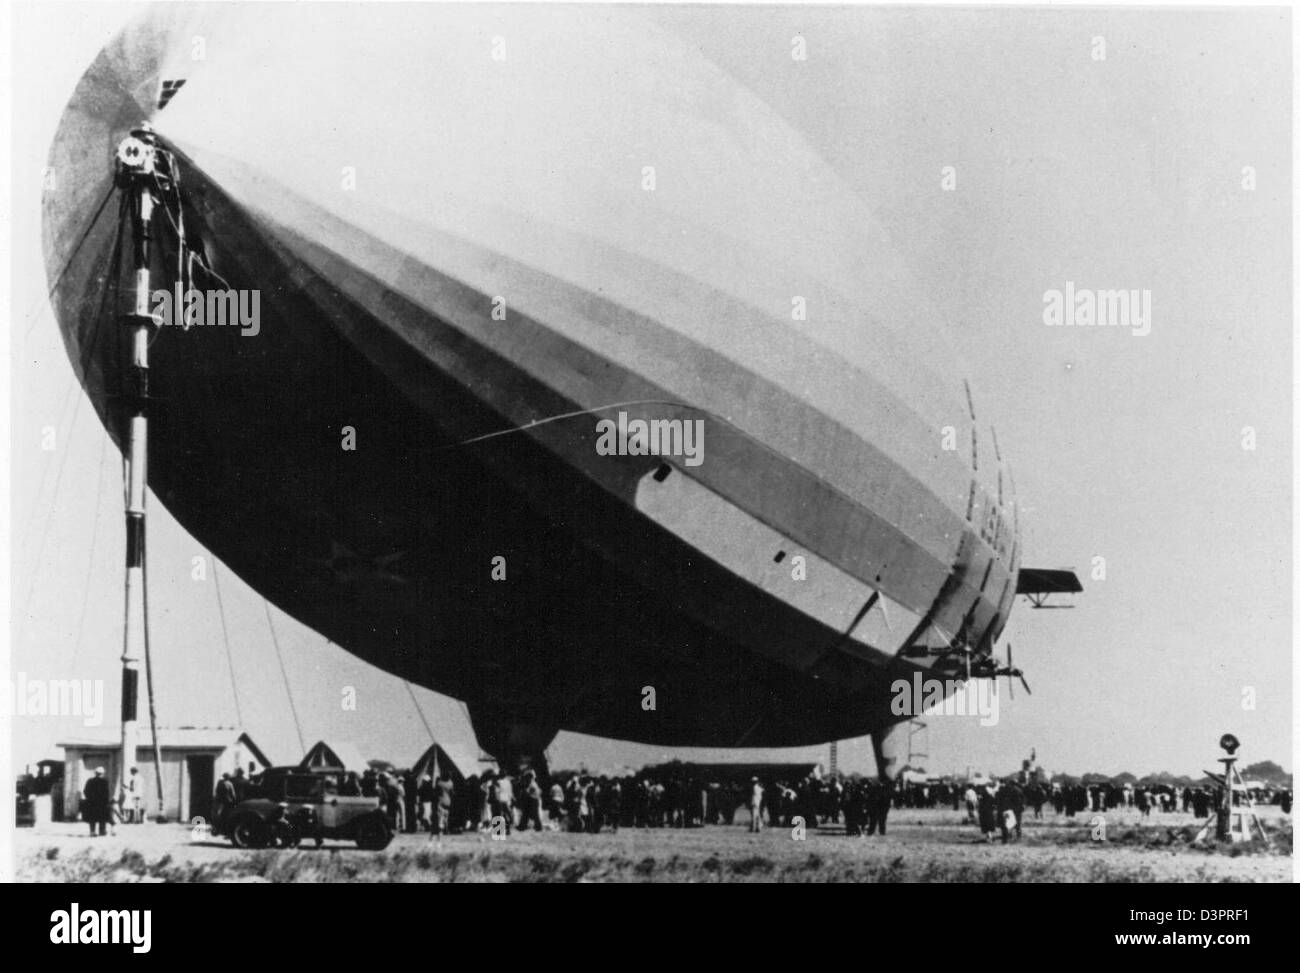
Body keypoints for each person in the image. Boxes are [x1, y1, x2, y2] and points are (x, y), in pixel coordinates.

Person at [83, 767, 112, 836]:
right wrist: (107, 801)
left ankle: (92, 832)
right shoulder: (105, 781)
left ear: (95, 773)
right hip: (102, 803)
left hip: (92, 802)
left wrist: (89, 798)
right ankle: (102, 831)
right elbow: (106, 793)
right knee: (102, 817)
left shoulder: (90, 781)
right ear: (102, 773)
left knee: (92, 818)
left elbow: (85, 791)